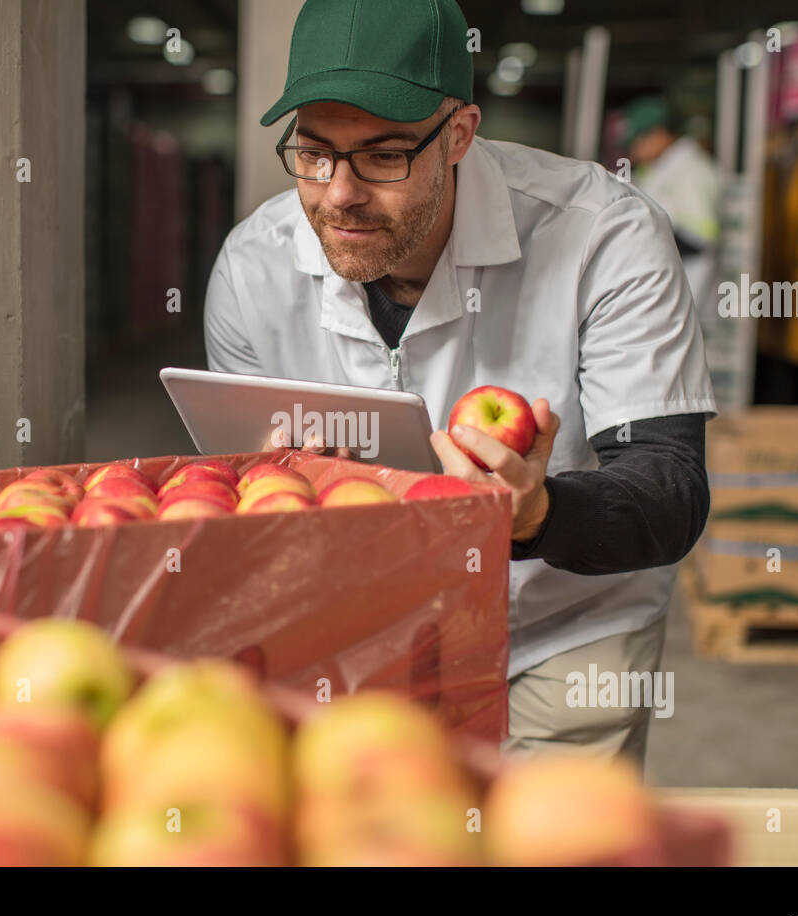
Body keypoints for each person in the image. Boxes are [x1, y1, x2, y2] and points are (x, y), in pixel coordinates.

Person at [203, 0, 716, 771]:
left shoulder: (603, 236)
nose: (338, 193)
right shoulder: (254, 268)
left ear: (460, 136)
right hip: (355, 623)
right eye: (313, 152)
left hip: (560, 621)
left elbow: (670, 489)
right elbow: (243, 500)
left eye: (382, 157)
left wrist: (538, 513)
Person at [621, 95, 721, 313]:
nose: (633, 152)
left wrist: (641, 242)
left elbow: (701, 238)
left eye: (637, 142)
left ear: (659, 134)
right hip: (661, 285)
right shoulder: (658, 168)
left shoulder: (692, 169)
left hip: (689, 285)